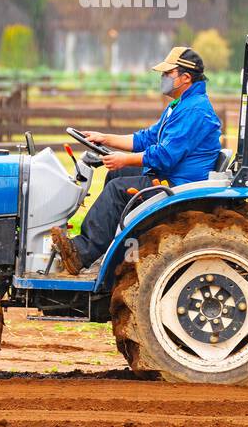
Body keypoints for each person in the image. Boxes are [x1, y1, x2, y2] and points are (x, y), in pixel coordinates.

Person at [50, 46, 223, 275]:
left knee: (116, 189)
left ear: (186, 77)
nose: (162, 78)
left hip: (177, 185)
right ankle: (107, 245)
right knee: (115, 175)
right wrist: (104, 138)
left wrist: (124, 160)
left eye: (167, 74)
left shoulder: (194, 110)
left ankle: (80, 252)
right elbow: (147, 138)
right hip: (172, 177)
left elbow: (165, 156)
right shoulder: (181, 105)